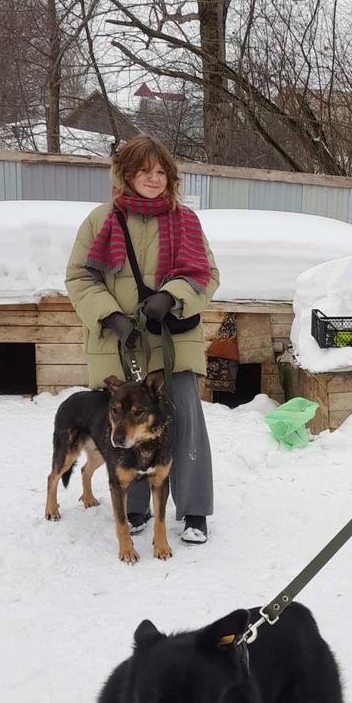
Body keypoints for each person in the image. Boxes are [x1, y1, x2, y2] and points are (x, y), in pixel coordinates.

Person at [66, 135, 220, 545]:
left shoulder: (185, 219)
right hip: (120, 344)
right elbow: (80, 277)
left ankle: (194, 510)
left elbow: (206, 275)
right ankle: (134, 506)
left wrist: (173, 297)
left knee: (185, 427)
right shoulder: (101, 219)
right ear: (125, 173)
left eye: (160, 171)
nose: (153, 179)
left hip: (173, 344)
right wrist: (110, 315)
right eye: (143, 170)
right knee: (124, 427)